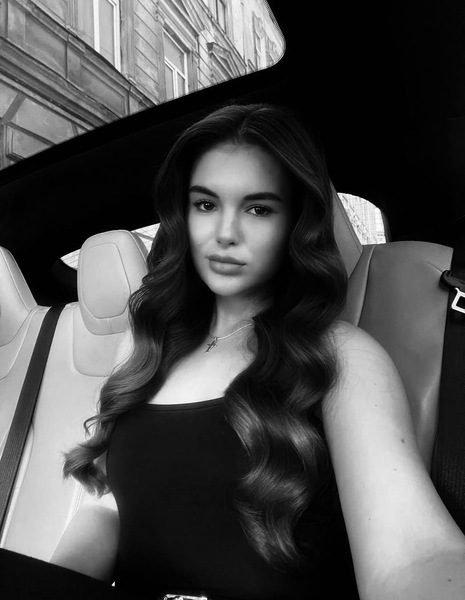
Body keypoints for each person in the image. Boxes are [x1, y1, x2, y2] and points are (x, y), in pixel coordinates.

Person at [50, 103, 465, 600]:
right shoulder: (144, 346)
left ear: (296, 224)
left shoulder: (341, 356)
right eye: (206, 204)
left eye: (258, 209)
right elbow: (109, 504)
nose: (225, 233)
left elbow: (414, 555)